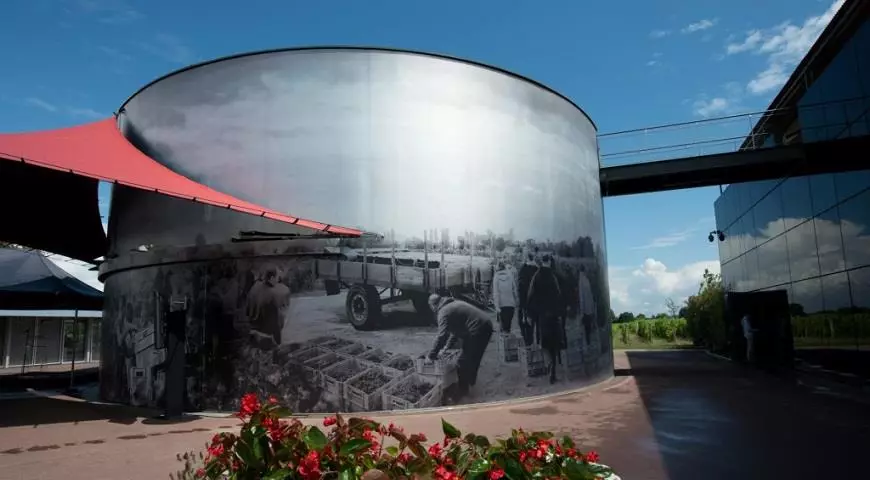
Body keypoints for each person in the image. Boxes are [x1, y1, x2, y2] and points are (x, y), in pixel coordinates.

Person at [427, 293, 494, 399]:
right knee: (474, 358)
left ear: (433, 305)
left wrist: (431, 355)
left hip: (477, 329)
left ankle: (463, 392)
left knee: (462, 361)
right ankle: (470, 385)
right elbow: (454, 332)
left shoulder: (443, 312)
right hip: (486, 325)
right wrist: (446, 347)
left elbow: (442, 335)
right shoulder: (453, 303)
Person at [526, 254, 566, 384]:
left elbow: (531, 296)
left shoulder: (536, 277)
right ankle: (553, 365)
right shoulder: (554, 276)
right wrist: (561, 312)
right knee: (555, 342)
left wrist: (530, 314)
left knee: (545, 342)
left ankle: (549, 363)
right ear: (549, 261)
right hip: (554, 315)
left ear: (542, 262)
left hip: (542, 315)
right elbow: (559, 294)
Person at [517, 253, 539, 346]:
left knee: (522, 323)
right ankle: (531, 342)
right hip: (535, 303)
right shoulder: (538, 270)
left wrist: (521, 304)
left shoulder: (523, 270)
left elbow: (520, 287)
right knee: (532, 324)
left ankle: (527, 342)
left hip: (524, 302)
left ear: (526, 259)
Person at [492, 261, 518, 333]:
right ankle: (507, 341)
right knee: (508, 326)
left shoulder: (496, 277)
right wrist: (516, 301)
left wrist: (497, 307)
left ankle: (504, 342)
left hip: (501, 305)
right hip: (511, 304)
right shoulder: (510, 275)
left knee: (503, 328)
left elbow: (496, 293)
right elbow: (514, 290)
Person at [577, 264, 597, 346]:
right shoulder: (585, 279)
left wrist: (581, 310)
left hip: (586, 308)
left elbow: (582, 296)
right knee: (588, 325)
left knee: (586, 326)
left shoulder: (581, 279)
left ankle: (588, 341)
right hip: (588, 307)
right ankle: (588, 341)